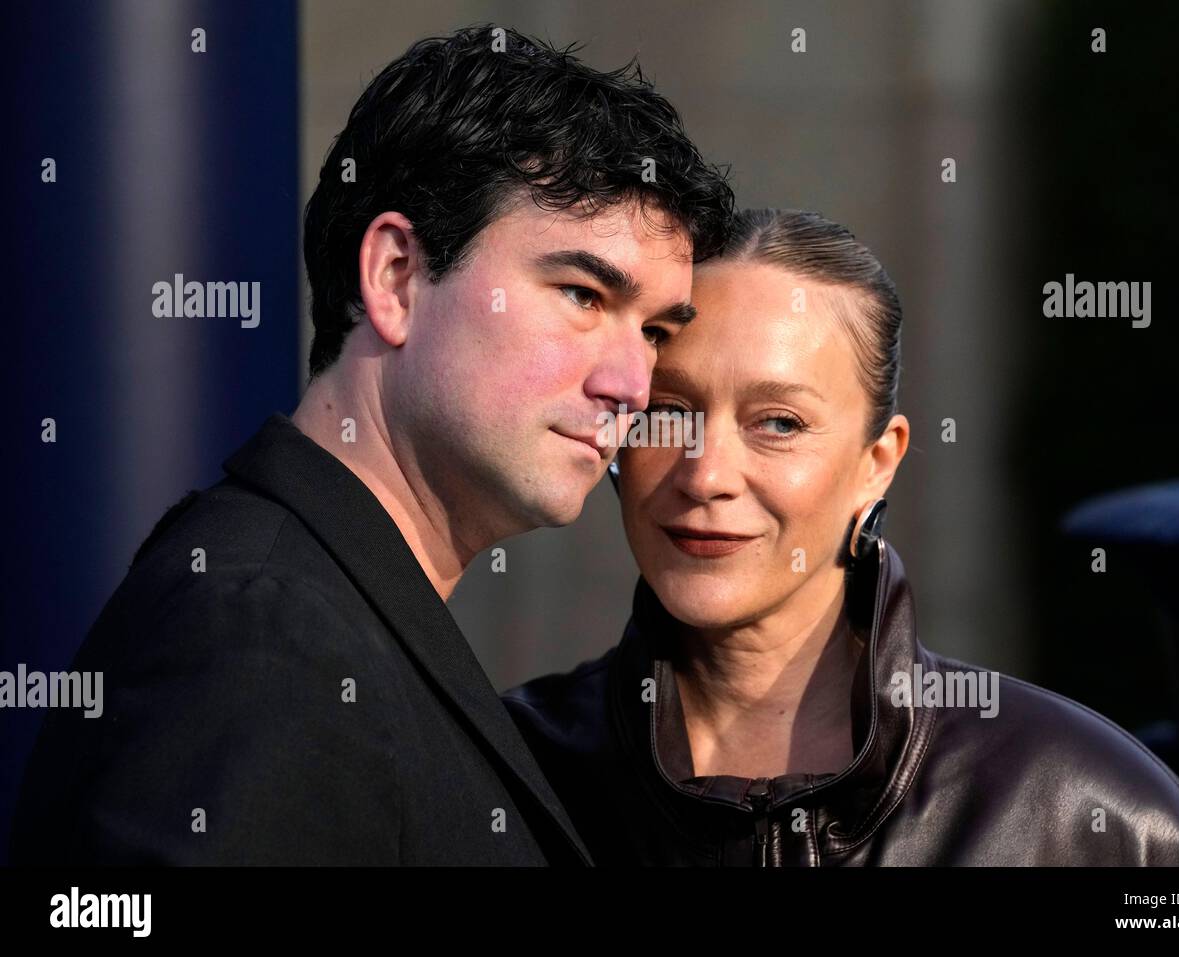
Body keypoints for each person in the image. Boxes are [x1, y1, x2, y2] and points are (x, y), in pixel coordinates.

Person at [10, 26, 734, 865]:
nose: (631, 384)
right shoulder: (263, 631)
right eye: (580, 294)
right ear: (395, 276)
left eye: (652, 330)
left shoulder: (326, 609)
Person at [502, 208, 1179, 866]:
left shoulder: (1081, 806)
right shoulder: (508, 769)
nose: (707, 475)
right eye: (669, 412)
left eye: (778, 423)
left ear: (875, 463)